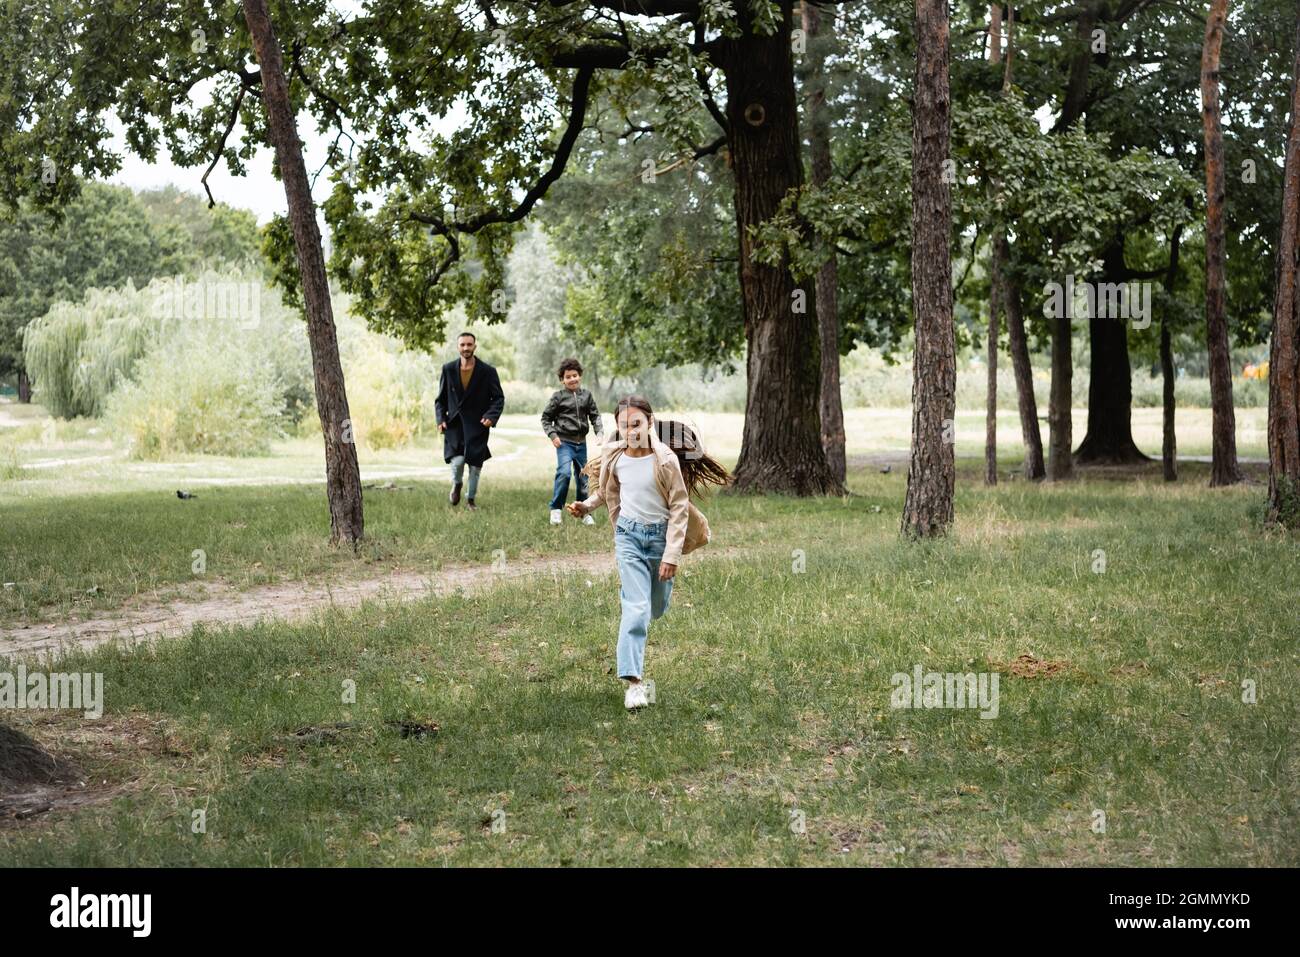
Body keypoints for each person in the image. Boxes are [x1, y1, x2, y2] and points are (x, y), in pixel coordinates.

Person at [568, 395, 729, 710]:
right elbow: (606, 491)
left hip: (659, 541)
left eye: (637, 424)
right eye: (625, 425)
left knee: (655, 607)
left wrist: (671, 555)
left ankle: (644, 597)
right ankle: (634, 684)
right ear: (618, 427)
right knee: (637, 610)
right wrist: (586, 505)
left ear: (650, 423)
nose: (632, 431)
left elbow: (679, 507)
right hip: (628, 538)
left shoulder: (665, 460)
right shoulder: (615, 458)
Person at [435, 332, 505, 511]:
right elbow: (440, 400)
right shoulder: (448, 369)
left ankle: (470, 500)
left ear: (475, 346)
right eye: (462, 345)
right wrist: (441, 419)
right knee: (457, 462)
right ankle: (457, 484)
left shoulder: (488, 371)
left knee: (475, 465)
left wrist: (491, 416)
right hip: (455, 425)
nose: (466, 348)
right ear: (458, 347)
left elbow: (498, 398)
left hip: (478, 425)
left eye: (469, 344)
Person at [540, 357, 604, 525]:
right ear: (562, 380)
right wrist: (553, 435)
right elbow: (546, 418)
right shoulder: (558, 397)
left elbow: (595, 415)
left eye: (575, 375)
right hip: (564, 443)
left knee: (583, 477)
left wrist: (599, 433)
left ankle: (584, 511)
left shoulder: (587, 395)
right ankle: (555, 509)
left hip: (580, 443)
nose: (572, 379)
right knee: (564, 473)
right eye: (568, 377)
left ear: (580, 376)